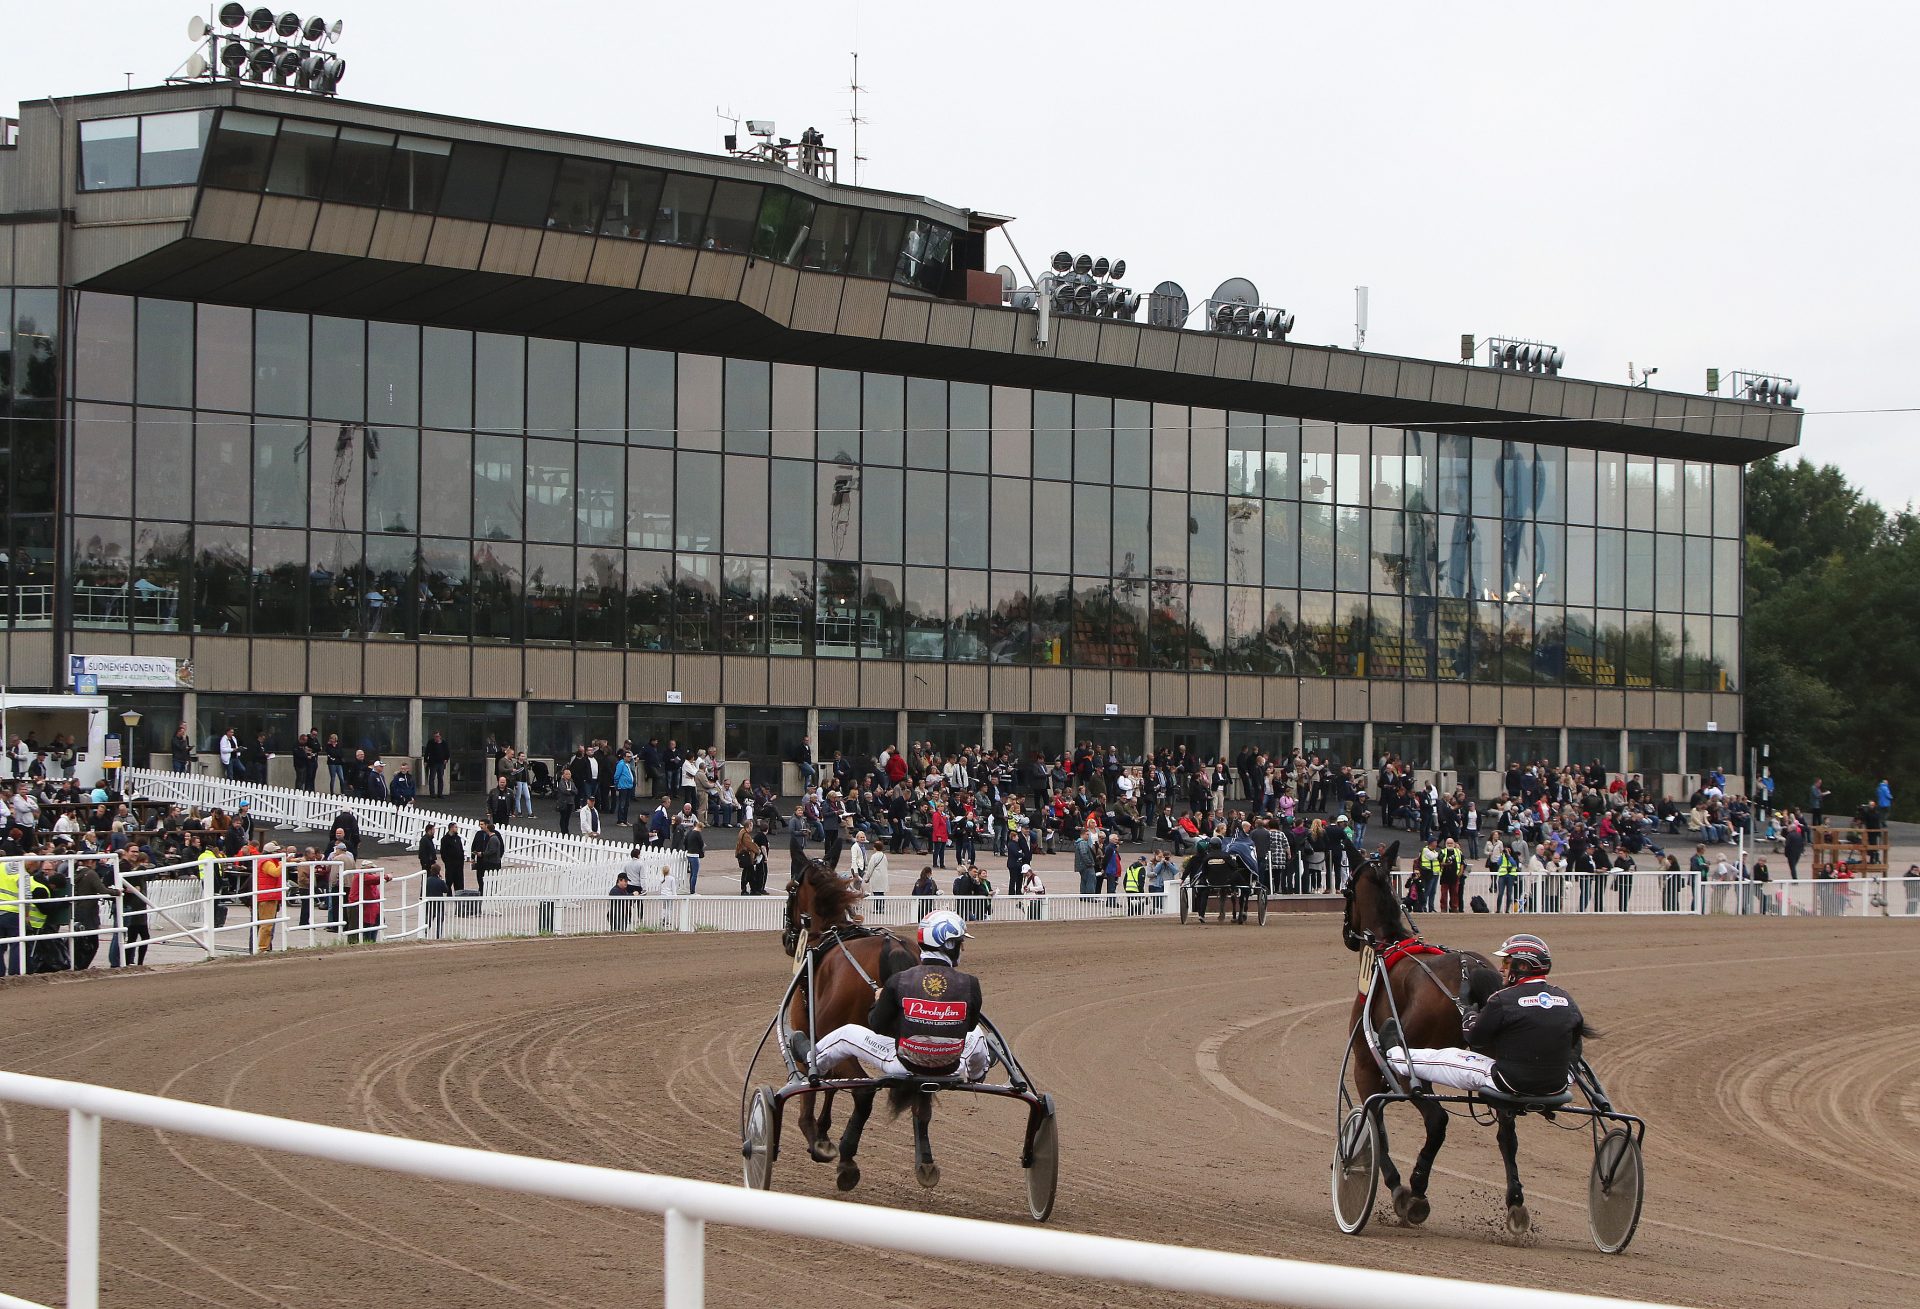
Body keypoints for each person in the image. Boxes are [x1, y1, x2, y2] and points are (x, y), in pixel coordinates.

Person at [1380, 933, 1586, 1097]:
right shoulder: (1566, 998)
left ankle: (1394, 1054)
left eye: (1506, 962)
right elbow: (1574, 1041)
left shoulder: (1502, 1000)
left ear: (1523, 966)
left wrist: (1469, 1012)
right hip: (1558, 1085)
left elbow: (1475, 1038)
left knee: (1446, 1056)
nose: (1500, 968)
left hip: (1508, 1082)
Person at [811, 911, 995, 1083]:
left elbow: (877, 1024)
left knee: (846, 1034)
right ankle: (978, 1073)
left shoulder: (898, 981)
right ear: (949, 945)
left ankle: (812, 1063)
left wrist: (879, 1000)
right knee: (978, 1034)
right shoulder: (971, 983)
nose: (962, 949)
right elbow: (969, 1026)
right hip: (952, 1067)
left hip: (902, 1066)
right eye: (960, 943)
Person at [422, 732, 450, 799]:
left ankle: (440, 793)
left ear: (440, 737)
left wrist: (446, 759)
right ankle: (432, 793)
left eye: (437, 736)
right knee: (432, 777)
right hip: (433, 762)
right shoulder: (431, 743)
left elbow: (447, 752)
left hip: (441, 763)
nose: (436, 738)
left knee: (440, 778)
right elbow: (427, 751)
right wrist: (425, 760)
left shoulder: (444, 743)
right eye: (435, 736)